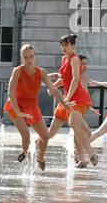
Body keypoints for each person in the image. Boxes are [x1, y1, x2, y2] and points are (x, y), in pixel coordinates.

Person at [3, 43, 67, 168]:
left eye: (31, 57)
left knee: (45, 136)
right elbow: (11, 92)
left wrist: (64, 103)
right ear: (22, 57)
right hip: (17, 104)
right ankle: (25, 152)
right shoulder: (17, 71)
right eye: (26, 57)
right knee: (25, 134)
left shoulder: (41, 72)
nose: (29, 60)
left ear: (35, 57)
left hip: (32, 106)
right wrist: (18, 111)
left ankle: (40, 158)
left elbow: (53, 89)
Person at [40, 33, 96, 168]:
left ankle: (92, 154)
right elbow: (64, 78)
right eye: (62, 45)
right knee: (49, 134)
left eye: (66, 45)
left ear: (73, 46)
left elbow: (75, 79)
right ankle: (37, 151)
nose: (63, 48)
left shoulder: (75, 59)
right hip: (66, 99)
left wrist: (67, 98)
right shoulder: (64, 59)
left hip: (77, 98)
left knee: (74, 126)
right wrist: (53, 87)